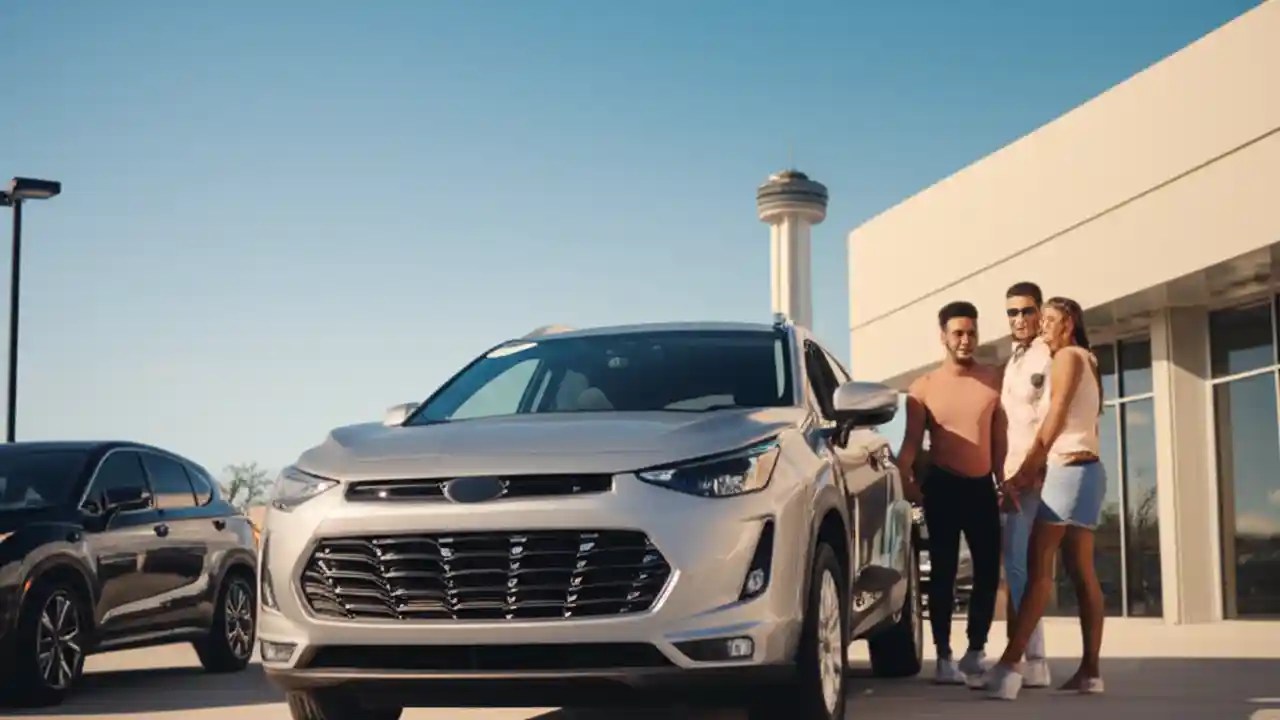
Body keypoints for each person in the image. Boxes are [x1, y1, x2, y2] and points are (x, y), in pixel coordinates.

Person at [982, 296, 1108, 700]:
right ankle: (1090, 673)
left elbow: (1055, 414)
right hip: (1090, 472)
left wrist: (1026, 469)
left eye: (1050, 320)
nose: (1042, 327)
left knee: (1038, 570)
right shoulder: (1089, 359)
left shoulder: (1067, 357)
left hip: (1067, 469)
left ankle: (1010, 667)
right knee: (1082, 571)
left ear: (1068, 324)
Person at [898, 300, 1005, 685]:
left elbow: (1000, 438)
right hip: (942, 486)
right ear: (943, 336)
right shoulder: (923, 387)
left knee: (988, 570)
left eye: (972, 332)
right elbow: (911, 443)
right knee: (942, 574)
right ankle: (943, 657)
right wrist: (906, 479)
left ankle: (976, 651)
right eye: (958, 333)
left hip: (981, 488)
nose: (966, 340)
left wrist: (1003, 481)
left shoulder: (994, 378)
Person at [995, 281, 1053, 689]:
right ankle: (1031, 656)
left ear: (1040, 311)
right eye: (1012, 312)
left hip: (1039, 476)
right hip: (1013, 478)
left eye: (1026, 311)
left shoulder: (1050, 356)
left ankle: (1034, 657)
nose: (1019, 319)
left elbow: (1051, 418)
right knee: (1019, 567)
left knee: (1029, 566)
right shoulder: (1011, 362)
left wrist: (1036, 469)